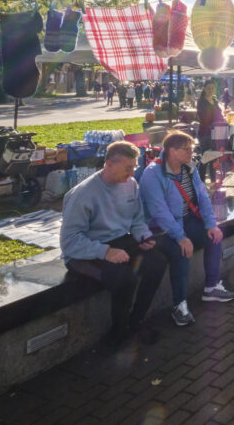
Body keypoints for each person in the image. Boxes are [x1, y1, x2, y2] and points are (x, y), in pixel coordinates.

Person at [60, 141, 166, 346]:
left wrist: (142, 235)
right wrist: (105, 252)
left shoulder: (130, 184)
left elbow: (136, 219)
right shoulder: (83, 194)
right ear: (109, 164)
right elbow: (69, 241)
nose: (132, 174)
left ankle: (136, 321)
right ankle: (118, 333)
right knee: (124, 277)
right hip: (84, 251)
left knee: (157, 262)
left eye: (134, 167)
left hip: (118, 240)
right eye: (128, 168)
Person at [139, 132, 234, 328]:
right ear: (172, 151)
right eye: (187, 149)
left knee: (214, 237)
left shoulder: (190, 168)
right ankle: (179, 305)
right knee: (181, 252)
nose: (192, 152)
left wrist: (211, 224)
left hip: (187, 218)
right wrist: (181, 237)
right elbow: (160, 212)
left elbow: (203, 197)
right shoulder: (152, 174)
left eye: (192, 148)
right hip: (161, 228)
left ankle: (211, 287)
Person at [196, 81, 219, 182]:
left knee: (214, 158)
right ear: (204, 89)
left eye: (213, 88)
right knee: (205, 158)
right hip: (205, 133)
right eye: (209, 88)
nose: (211, 90)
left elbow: (219, 115)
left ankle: (213, 182)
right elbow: (204, 118)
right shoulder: (201, 102)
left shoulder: (215, 100)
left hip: (215, 133)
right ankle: (201, 182)